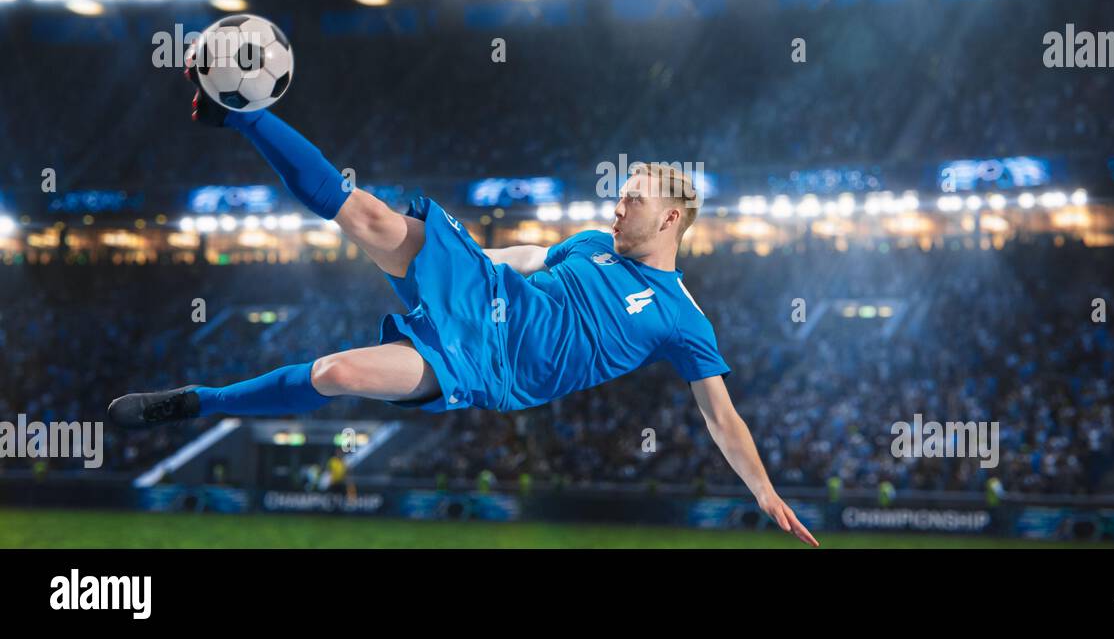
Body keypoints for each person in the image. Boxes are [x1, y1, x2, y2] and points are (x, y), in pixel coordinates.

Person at [108, 52, 818, 546]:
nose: (618, 200)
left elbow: (722, 416)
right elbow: (524, 257)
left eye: (632, 197)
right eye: (621, 189)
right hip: (480, 288)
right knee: (371, 216)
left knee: (334, 374)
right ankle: (239, 111)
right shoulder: (589, 242)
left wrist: (761, 489)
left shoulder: (683, 317)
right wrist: (451, 262)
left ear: (669, 219)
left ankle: (198, 398)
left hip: (490, 366)